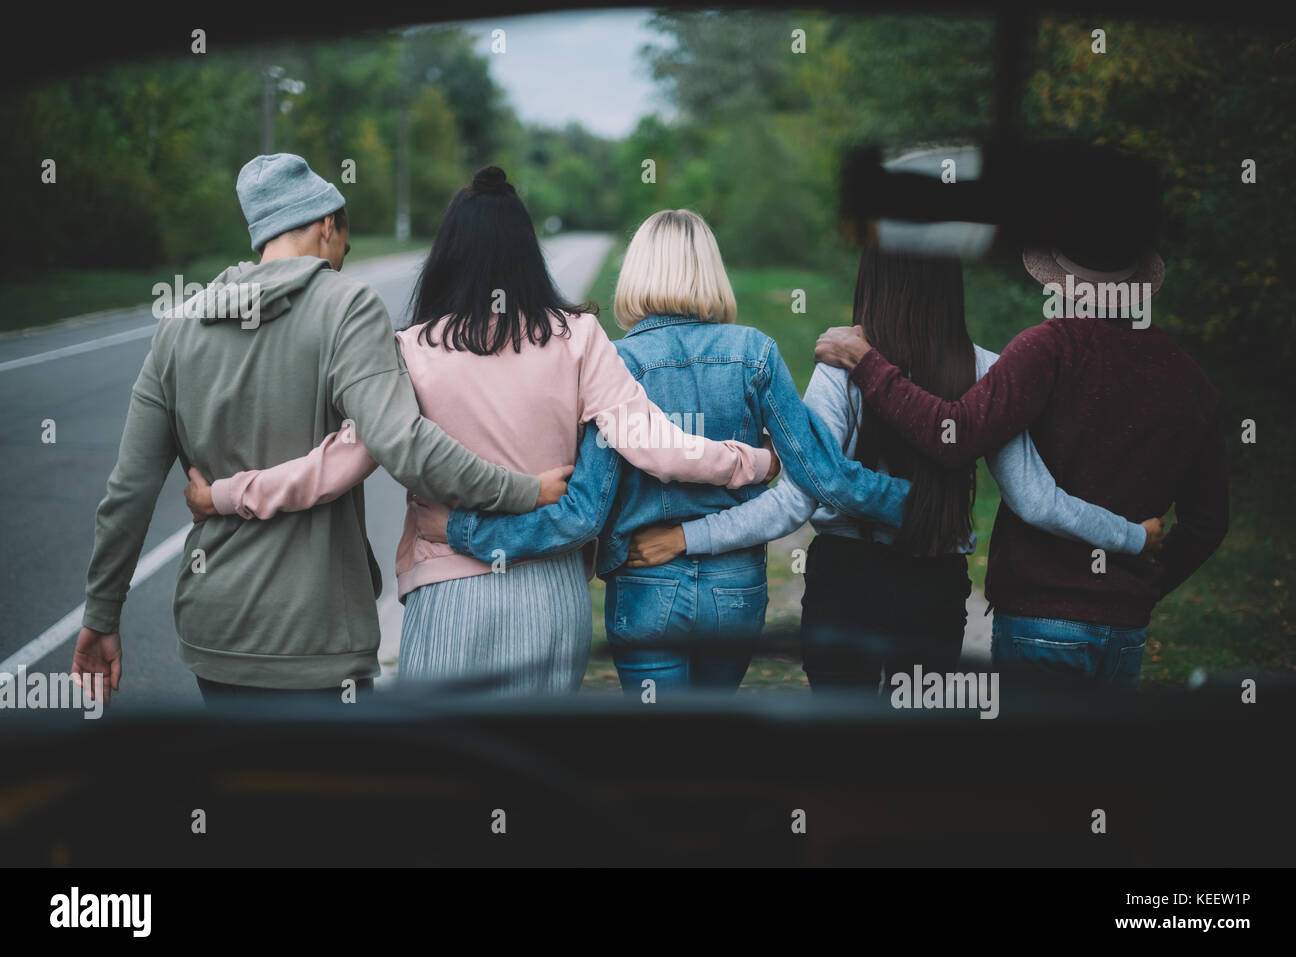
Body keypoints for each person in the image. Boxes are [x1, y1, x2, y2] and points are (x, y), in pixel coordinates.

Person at [184, 173, 777, 696]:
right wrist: (751, 462)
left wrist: (228, 495)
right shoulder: (580, 337)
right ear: (528, 254)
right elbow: (654, 444)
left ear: (447, 255)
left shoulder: (409, 350)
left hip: (449, 589)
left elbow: (337, 463)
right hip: (551, 594)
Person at [72, 153, 568, 707]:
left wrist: (101, 614)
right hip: (319, 635)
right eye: (344, 247)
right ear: (328, 223)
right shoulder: (347, 306)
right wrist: (523, 490)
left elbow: (129, 491)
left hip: (217, 629)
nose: (342, 261)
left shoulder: (178, 328)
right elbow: (401, 441)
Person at [422, 210, 921, 695]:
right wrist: (917, 507)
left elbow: (584, 514)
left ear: (636, 274)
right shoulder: (757, 353)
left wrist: (470, 532)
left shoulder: (615, 363)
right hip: (735, 588)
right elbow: (824, 476)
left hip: (646, 587)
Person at [629, 241, 1165, 691]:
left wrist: (686, 538)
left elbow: (796, 498)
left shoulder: (841, 363)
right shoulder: (987, 369)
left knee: (843, 758)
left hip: (846, 578)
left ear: (873, 281)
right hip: (933, 582)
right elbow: (1036, 500)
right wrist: (1131, 536)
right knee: (915, 760)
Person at [815, 239, 1228, 689]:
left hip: (1030, 615)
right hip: (1118, 623)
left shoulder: (1044, 349)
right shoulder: (1188, 377)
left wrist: (867, 365)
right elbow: (1207, 521)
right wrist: (1138, 582)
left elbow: (950, 437)